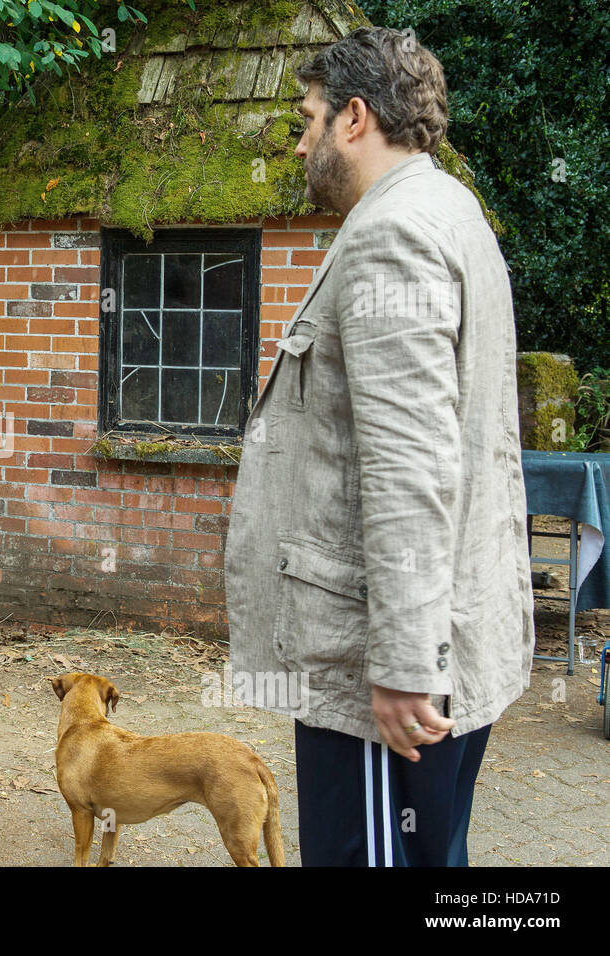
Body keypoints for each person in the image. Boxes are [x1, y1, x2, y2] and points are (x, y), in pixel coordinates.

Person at [225, 27, 534, 866]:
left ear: (354, 118)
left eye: (308, 119)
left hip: (382, 673)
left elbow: (409, 462)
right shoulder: (452, 211)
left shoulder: (391, 235)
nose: (298, 144)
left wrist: (403, 662)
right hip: (442, 634)